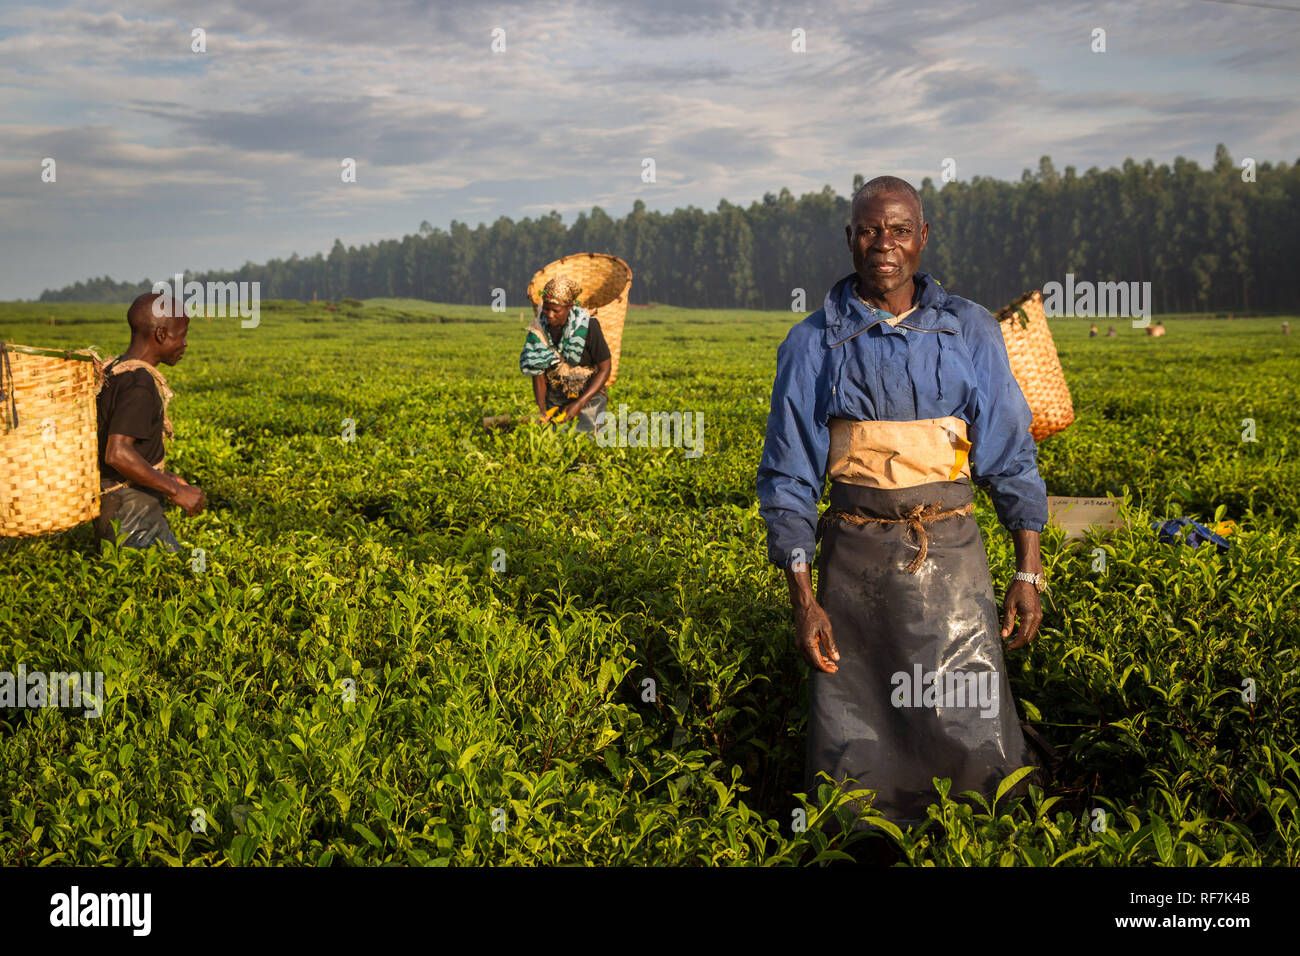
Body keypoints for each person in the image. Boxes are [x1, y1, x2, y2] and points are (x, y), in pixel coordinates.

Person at [756, 175, 1050, 831]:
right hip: (855, 564)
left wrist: (1027, 570)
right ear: (849, 239)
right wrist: (803, 599)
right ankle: (862, 836)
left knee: (969, 715)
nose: (882, 243)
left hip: (954, 555)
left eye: (897, 229)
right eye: (868, 229)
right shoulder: (811, 344)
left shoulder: (970, 330)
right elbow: (789, 479)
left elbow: (1009, 456)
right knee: (855, 726)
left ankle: (978, 828)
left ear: (922, 237)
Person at [93, 292, 205, 551]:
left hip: (116, 511)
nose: (185, 343)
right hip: (131, 518)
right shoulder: (138, 382)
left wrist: (168, 479)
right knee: (183, 580)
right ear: (161, 334)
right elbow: (118, 454)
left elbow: (131, 450)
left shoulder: (116, 371)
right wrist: (178, 493)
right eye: (182, 334)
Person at [519, 275, 612, 433]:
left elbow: (605, 368)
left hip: (589, 392)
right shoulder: (538, 329)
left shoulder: (589, 326)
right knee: (555, 438)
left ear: (569, 307)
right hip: (556, 392)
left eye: (556, 311)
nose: (549, 315)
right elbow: (538, 372)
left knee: (588, 437)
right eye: (546, 309)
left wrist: (579, 403)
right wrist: (541, 409)